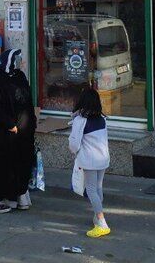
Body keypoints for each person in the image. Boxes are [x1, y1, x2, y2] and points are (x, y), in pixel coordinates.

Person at [0, 48, 36, 213]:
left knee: (22, 164)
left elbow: (27, 102)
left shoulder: (20, 77)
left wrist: (31, 124)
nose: (21, 63)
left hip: (23, 133)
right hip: (4, 134)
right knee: (3, 166)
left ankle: (19, 198)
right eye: (18, 60)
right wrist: (9, 124)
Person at [68, 87, 111, 238]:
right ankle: (96, 217)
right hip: (103, 159)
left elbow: (74, 144)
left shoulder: (81, 120)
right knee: (98, 188)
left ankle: (101, 222)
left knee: (91, 190)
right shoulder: (102, 119)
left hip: (89, 160)